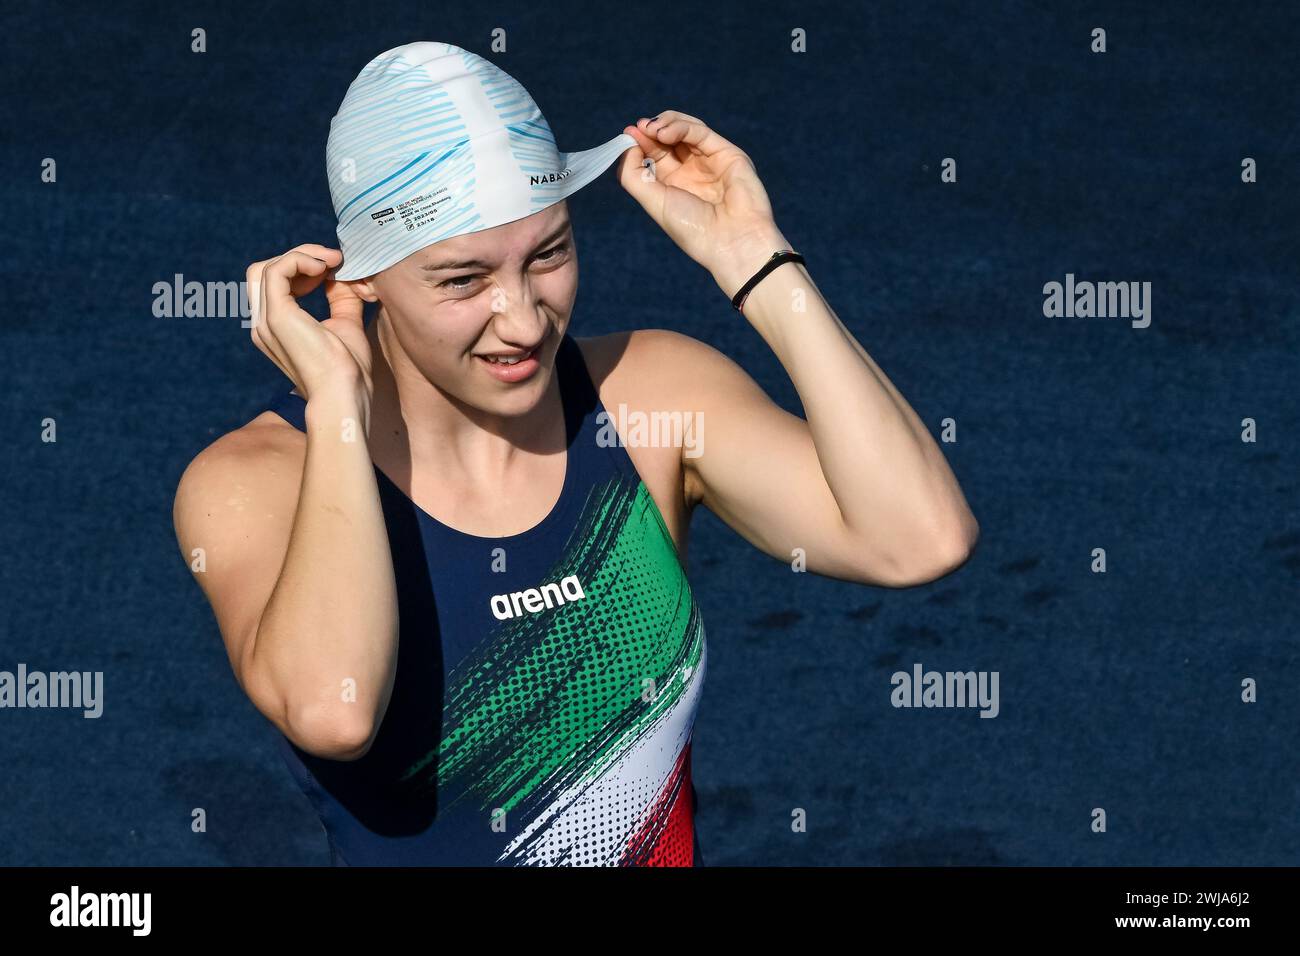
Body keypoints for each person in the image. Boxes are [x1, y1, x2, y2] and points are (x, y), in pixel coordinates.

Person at [172, 41, 979, 867]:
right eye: (461, 281)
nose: (522, 320)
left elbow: (919, 538)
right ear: (365, 279)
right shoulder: (253, 480)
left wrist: (758, 262)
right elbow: (330, 714)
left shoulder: (648, 399)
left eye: (548, 255)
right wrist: (338, 406)